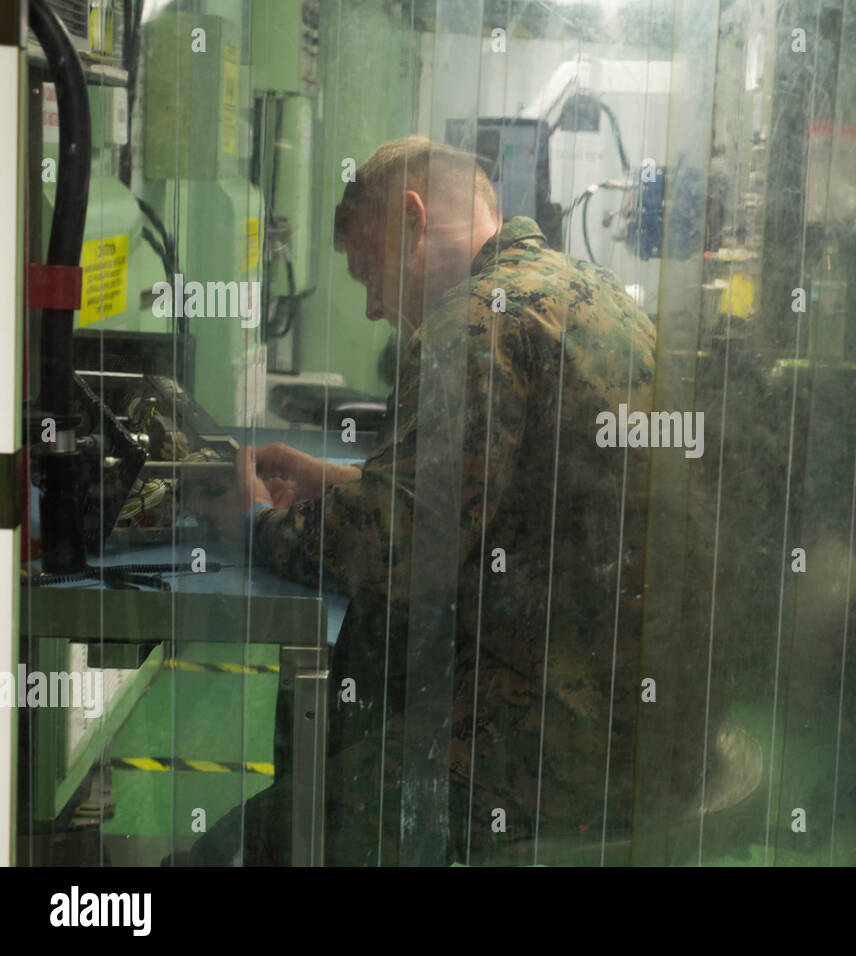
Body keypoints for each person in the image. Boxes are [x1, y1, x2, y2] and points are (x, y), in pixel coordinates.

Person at [193, 137, 658, 865]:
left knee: (254, 845)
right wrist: (338, 480)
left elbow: (398, 547)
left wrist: (255, 522)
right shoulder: (586, 293)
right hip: (622, 728)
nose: (376, 306)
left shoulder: (474, 322)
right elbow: (505, 503)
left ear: (412, 222)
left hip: (532, 751)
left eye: (369, 273)